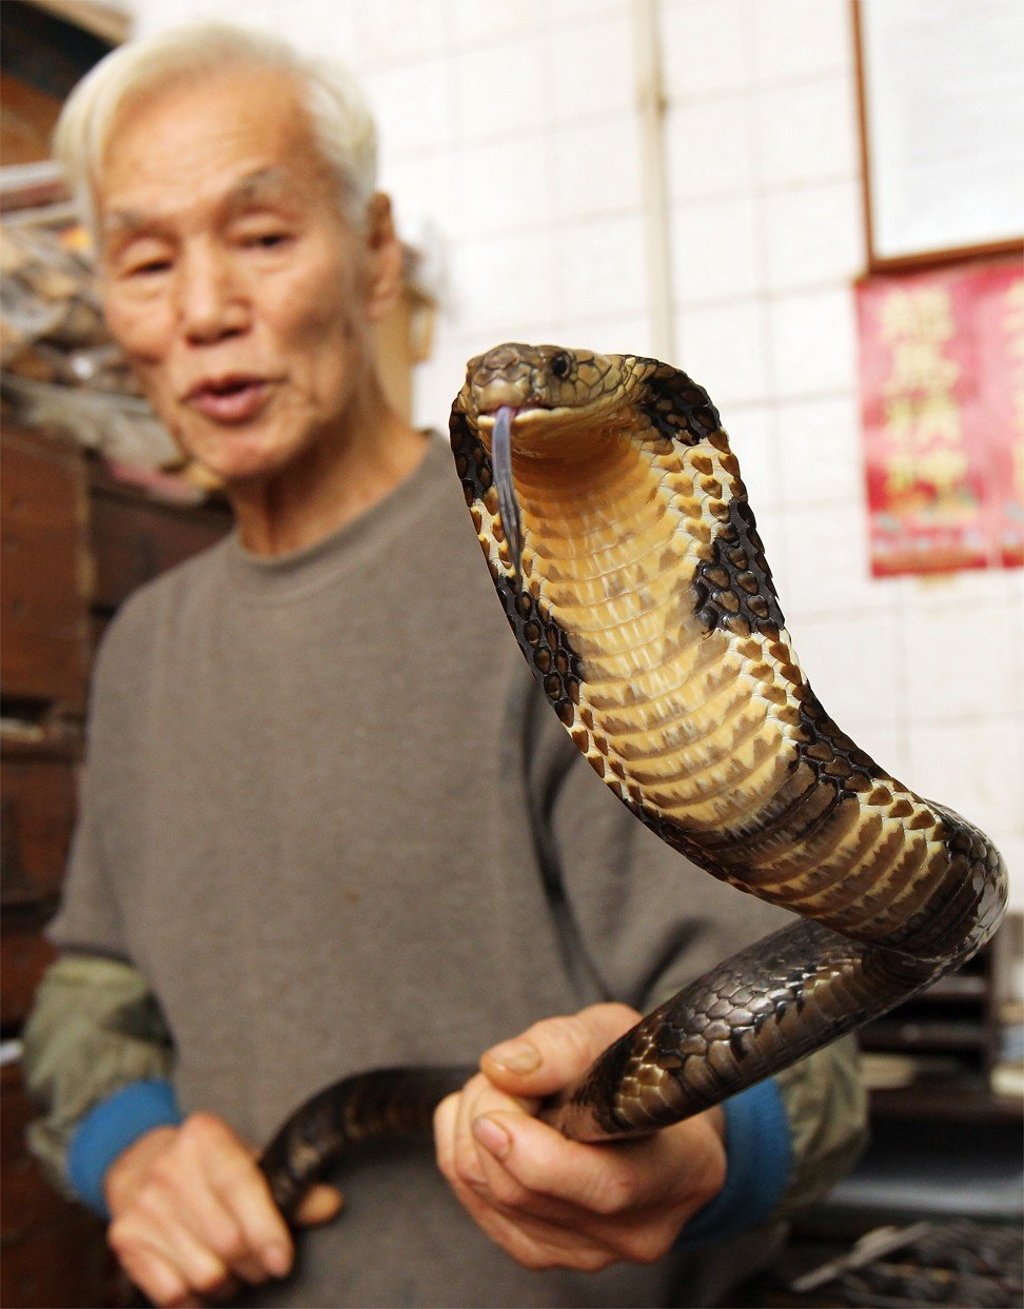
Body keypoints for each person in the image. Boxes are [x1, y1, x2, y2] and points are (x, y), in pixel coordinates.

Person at [22, 22, 866, 1309]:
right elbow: (93, 987)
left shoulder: (567, 587)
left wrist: (697, 1146)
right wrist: (130, 1150)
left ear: (370, 253)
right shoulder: (144, 646)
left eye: (261, 237)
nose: (204, 312)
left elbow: (816, 1061)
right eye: (147, 260)